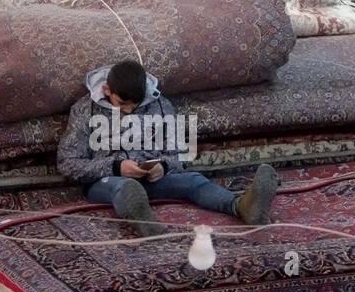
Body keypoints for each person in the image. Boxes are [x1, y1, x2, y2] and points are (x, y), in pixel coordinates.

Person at [56, 59, 278, 237]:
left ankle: (243, 207)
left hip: (153, 180)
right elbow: (67, 163)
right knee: (124, 187)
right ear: (106, 90)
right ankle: (144, 223)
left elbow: (181, 153)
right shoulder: (85, 110)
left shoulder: (162, 105)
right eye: (122, 104)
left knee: (194, 181)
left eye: (135, 105)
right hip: (106, 181)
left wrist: (163, 165)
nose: (129, 111)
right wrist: (116, 167)